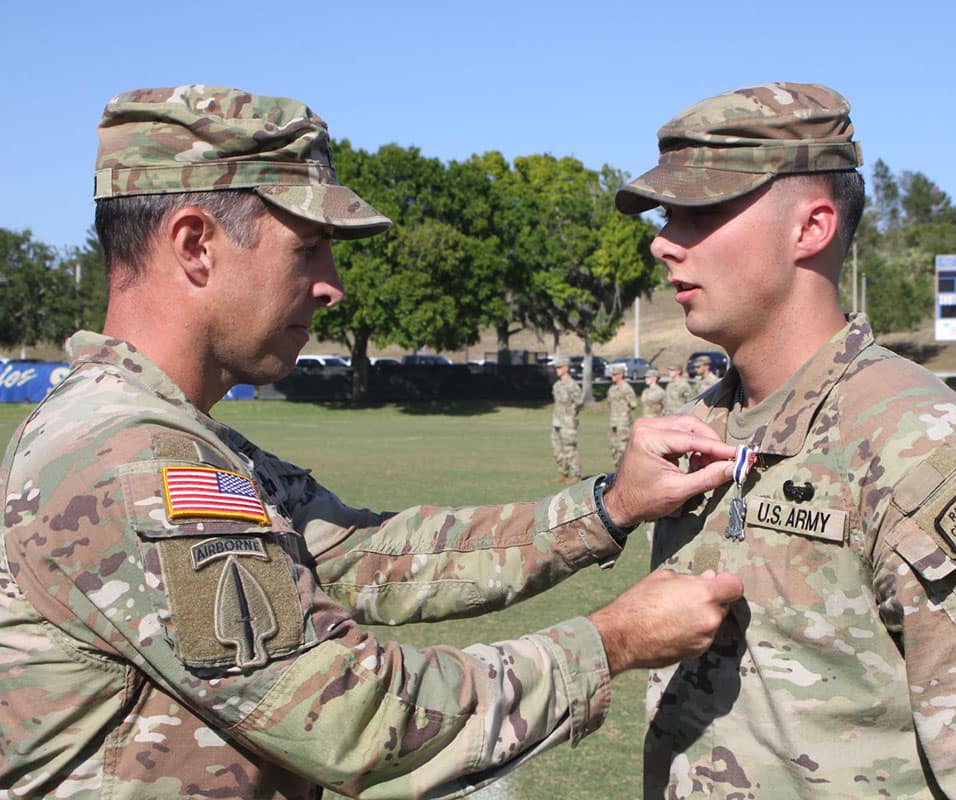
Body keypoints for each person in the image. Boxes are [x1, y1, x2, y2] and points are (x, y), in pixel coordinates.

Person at [0, 85, 747, 800]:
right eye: (308, 249)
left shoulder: (172, 439)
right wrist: (613, 640)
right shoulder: (130, 460)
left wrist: (610, 507)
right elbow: (355, 719)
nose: (333, 286)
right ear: (195, 244)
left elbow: (375, 557)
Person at [614, 82, 956, 799]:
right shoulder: (702, 427)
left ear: (810, 228)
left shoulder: (919, 447)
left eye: (702, 212)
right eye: (668, 216)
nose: (664, 241)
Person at [551, 354, 583, 481]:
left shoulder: (572, 385)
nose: (557, 370)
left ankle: (576, 475)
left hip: (568, 422)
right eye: (556, 368)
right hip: (557, 421)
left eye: (559, 368)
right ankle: (563, 473)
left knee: (569, 448)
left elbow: (579, 402)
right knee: (557, 448)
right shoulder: (557, 385)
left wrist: (572, 413)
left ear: (566, 368)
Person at [607, 362, 639, 465]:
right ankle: (616, 470)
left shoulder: (626, 388)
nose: (612, 376)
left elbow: (633, 403)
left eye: (615, 374)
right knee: (614, 446)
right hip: (613, 421)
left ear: (621, 375)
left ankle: (626, 470)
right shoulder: (612, 389)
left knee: (623, 447)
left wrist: (624, 408)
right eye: (612, 374)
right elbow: (609, 403)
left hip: (623, 422)